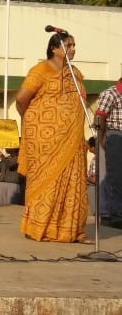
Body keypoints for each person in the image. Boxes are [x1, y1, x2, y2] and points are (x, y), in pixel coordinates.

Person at [16, 32, 89, 243]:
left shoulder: (75, 73)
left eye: (74, 45)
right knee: (46, 183)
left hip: (72, 140)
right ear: (54, 49)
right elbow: (22, 99)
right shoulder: (41, 70)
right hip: (45, 141)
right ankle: (39, 228)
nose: (73, 49)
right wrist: (32, 122)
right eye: (69, 45)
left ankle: (70, 231)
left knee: (73, 184)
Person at [94, 76, 122, 228]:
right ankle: (113, 214)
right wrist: (101, 139)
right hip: (114, 135)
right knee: (114, 177)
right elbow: (99, 118)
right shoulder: (110, 94)